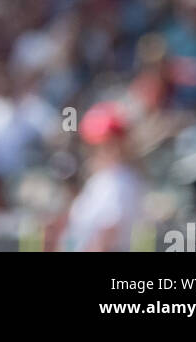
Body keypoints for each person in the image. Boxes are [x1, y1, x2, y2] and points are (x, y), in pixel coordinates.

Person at [58, 102, 145, 252]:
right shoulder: (102, 178)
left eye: (108, 143)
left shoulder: (120, 181)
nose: (100, 150)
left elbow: (105, 241)